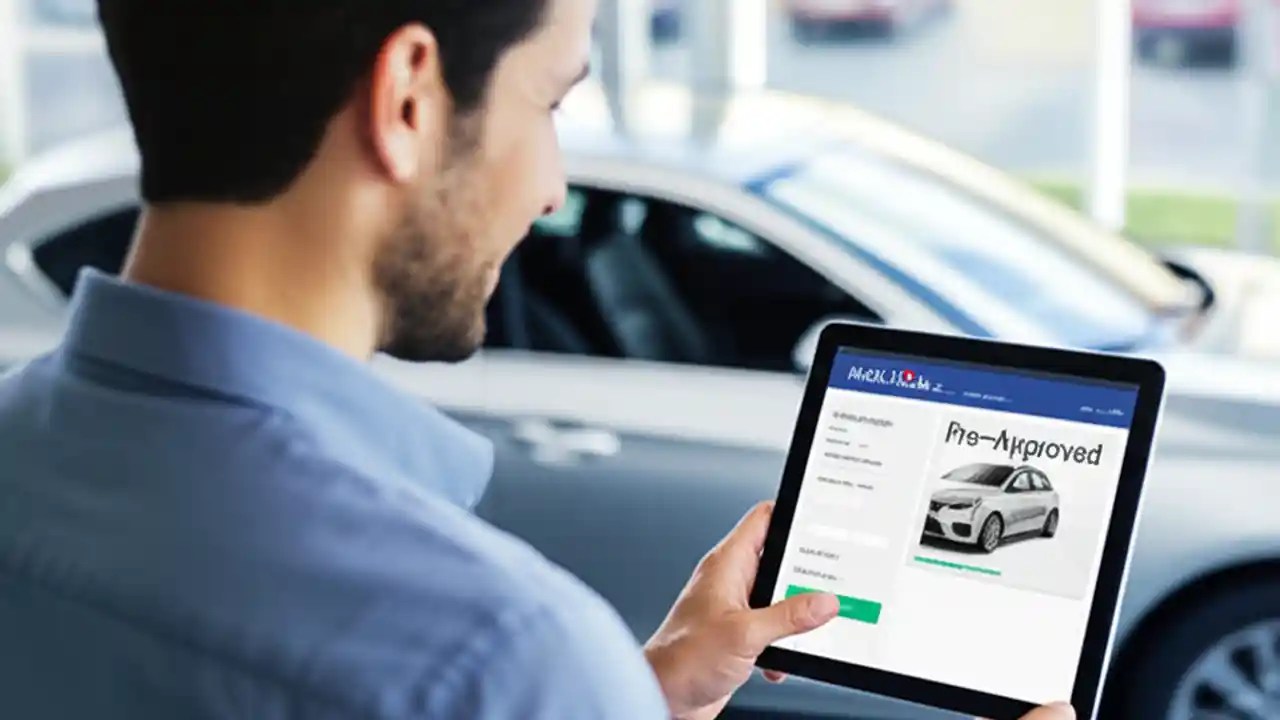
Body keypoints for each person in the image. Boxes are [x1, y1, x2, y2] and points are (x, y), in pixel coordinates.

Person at [0, 1, 1074, 718]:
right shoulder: (498, 650)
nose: (553, 185)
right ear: (409, 98)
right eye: (551, 103)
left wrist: (641, 693)